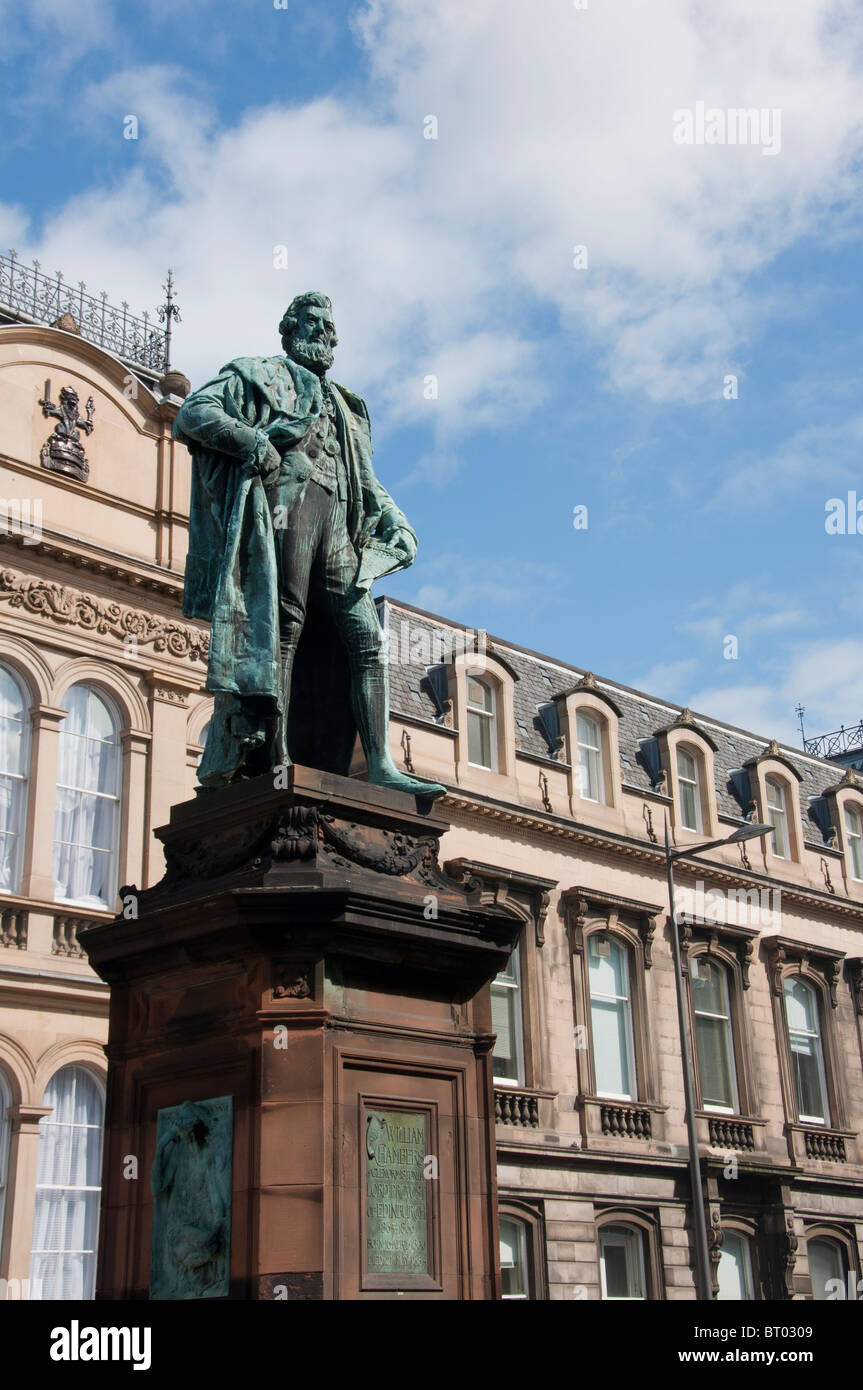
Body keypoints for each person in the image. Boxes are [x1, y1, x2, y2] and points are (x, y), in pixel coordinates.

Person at [174, 291, 446, 797]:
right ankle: (275, 754)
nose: (325, 333)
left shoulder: (347, 406)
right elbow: (194, 413)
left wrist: (398, 522)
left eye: (331, 327)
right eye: (314, 322)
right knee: (284, 624)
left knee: (366, 637)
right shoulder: (255, 372)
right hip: (287, 505)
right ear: (290, 329)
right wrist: (252, 441)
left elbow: (366, 480)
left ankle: (381, 762)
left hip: (339, 520)